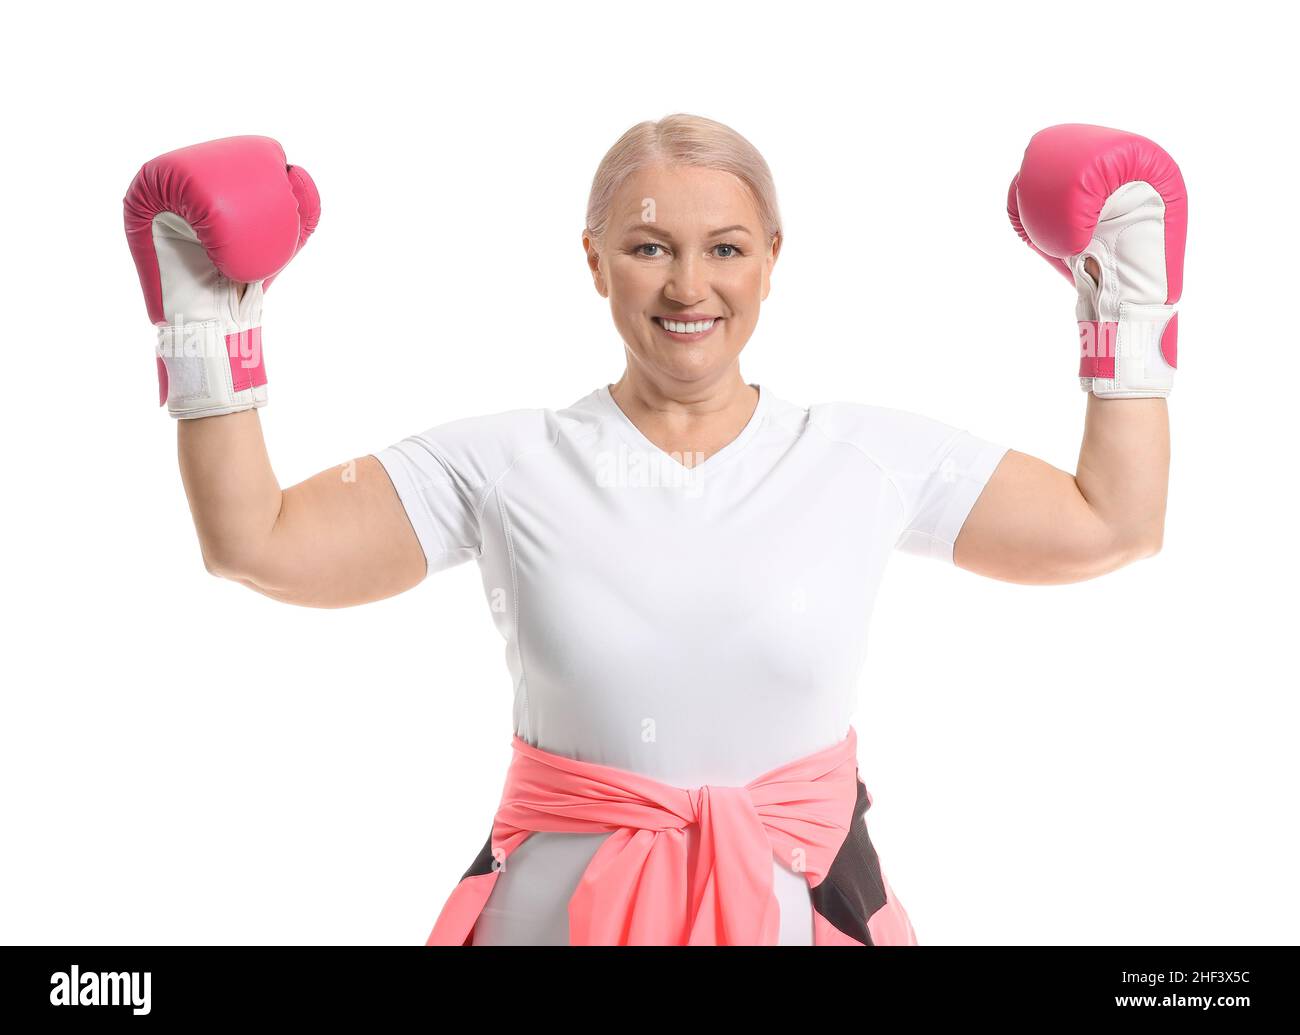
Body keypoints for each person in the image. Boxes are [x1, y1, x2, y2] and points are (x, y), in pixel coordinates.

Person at [123, 115, 1179, 945]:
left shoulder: (862, 456)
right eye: (647, 247)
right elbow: (254, 542)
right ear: (593, 261)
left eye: (723, 247)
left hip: (804, 917)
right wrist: (211, 325)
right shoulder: (504, 462)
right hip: (554, 922)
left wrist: (1124, 308)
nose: (688, 286)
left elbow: (1110, 524)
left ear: (771, 257)